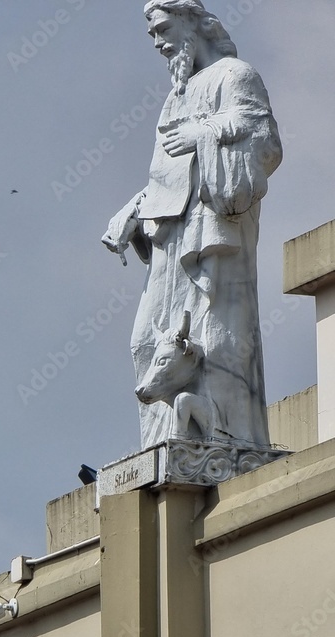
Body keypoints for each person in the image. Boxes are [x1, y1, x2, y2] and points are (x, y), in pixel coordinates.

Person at [103, 0, 282, 449]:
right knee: (146, 340)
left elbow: (265, 141)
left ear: (192, 22)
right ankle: (162, 443)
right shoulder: (175, 95)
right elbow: (165, 178)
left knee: (215, 336)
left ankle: (221, 437)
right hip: (169, 237)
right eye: (152, 36)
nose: (159, 43)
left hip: (213, 228)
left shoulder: (234, 75)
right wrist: (134, 212)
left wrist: (205, 134)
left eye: (163, 29)